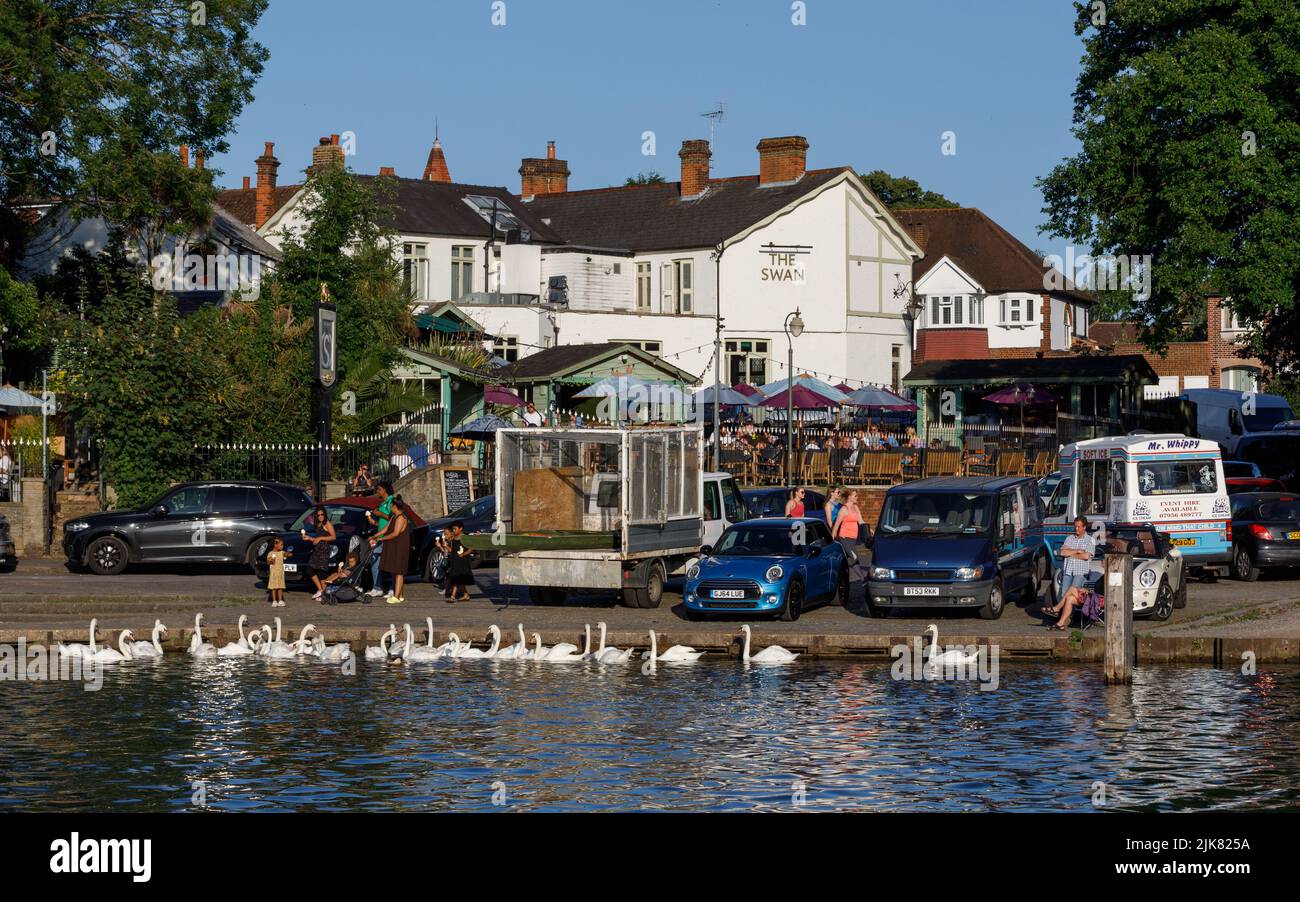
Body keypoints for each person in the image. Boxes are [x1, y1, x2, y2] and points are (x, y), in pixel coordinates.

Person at [1045, 516, 1097, 629]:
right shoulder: (1069, 538)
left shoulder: (1090, 540)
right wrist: (1077, 551)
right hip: (1068, 570)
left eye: (1079, 527)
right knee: (1064, 594)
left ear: (1084, 527)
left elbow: (1086, 556)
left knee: (1072, 592)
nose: (1076, 529)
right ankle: (1063, 620)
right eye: (1075, 526)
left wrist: (1071, 553)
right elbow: (1061, 552)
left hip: (1081, 572)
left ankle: (1063, 616)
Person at [372, 494, 411, 604]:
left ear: (394, 506)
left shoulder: (401, 518)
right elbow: (386, 528)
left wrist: (381, 539)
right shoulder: (394, 517)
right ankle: (401, 595)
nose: (390, 508)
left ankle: (396, 596)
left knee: (399, 572)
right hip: (395, 546)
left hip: (400, 546)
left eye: (391, 506)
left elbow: (395, 533)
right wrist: (376, 535)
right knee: (395, 570)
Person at [364, 482, 395, 597]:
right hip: (380, 537)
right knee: (374, 559)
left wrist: (379, 513)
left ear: (385, 490)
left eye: (379, 489)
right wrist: (374, 522)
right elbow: (382, 522)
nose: (377, 492)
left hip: (389, 537)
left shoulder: (391, 501)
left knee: (391, 563)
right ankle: (377, 587)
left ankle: (393, 588)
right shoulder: (383, 503)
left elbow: (393, 518)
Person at [302, 506, 337, 602]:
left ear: (325, 514)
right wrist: (309, 538)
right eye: (318, 515)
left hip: (324, 550)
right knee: (309, 569)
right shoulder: (317, 525)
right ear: (316, 516)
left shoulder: (327, 523)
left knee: (321, 572)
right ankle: (321, 590)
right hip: (317, 550)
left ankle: (324, 594)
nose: (320, 516)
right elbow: (317, 539)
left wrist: (321, 538)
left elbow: (333, 537)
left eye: (322, 514)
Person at [832, 489, 867, 573]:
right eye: (855, 496)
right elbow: (836, 525)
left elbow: (861, 521)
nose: (857, 497)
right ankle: (863, 579)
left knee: (846, 558)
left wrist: (869, 529)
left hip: (853, 539)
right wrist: (832, 537)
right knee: (854, 557)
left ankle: (839, 574)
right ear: (849, 497)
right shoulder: (844, 509)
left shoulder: (855, 507)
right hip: (845, 538)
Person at [445, 520, 475, 603]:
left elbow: (471, 548)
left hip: (462, 561)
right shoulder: (453, 539)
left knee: (456, 578)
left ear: (461, 528)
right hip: (455, 561)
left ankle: (452, 596)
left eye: (455, 529)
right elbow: (452, 551)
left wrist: (464, 553)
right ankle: (466, 594)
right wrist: (446, 546)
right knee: (459, 579)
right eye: (453, 529)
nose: (454, 531)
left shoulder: (464, 538)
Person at [265, 537, 287, 607]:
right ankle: (274, 601)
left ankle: (280, 600)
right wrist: (271, 560)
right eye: (281, 545)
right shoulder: (271, 553)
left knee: (280, 587)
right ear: (275, 545)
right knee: (274, 587)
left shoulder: (282, 552)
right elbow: (268, 562)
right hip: (273, 574)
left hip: (280, 573)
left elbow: (286, 555)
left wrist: (288, 554)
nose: (282, 546)